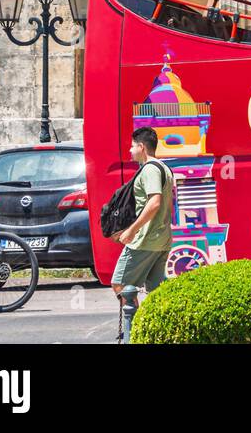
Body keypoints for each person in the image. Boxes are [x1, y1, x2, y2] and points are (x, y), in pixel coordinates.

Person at [109, 127, 176, 343]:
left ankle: (137, 331)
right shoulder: (165, 168)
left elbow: (154, 202)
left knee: (119, 283)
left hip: (145, 241)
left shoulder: (150, 169)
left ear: (142, 147)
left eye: (132, 146)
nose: (129, 151)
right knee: (156, 292)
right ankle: (162, 332)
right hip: (162, 240)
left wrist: (131, 230)